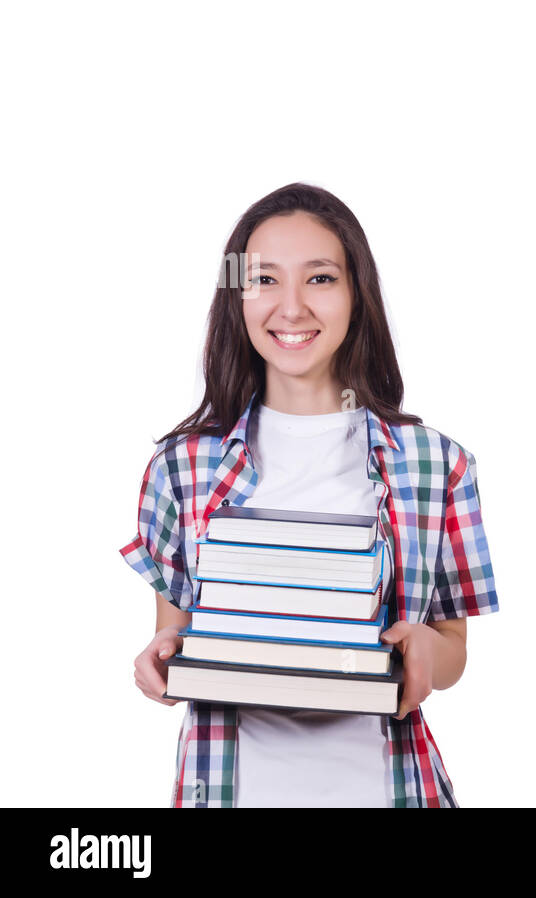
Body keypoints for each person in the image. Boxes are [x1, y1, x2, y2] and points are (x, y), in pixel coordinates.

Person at [121, 182, 498, 807]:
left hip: (386, 788)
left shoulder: (436, 464)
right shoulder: (181, 467)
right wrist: (160, 662)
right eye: (264, 279)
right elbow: (180, 639)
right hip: (231, 790)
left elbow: (453, 653)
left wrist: (425, 649)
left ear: (357, 295)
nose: (290, 308)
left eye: (320, 279)